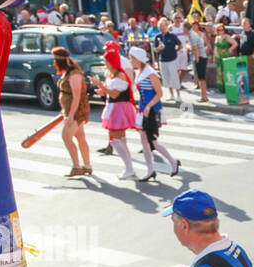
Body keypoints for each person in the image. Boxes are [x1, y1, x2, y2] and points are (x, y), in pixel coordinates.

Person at [128, 47, 180, 182]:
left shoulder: (150, 73)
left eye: (131, 58)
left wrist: (149, 107)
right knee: (144, 141)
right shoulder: (139, 72)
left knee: (152, 141)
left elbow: (159, 94)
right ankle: (150, 170)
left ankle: (172, 162)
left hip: (151, 110)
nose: (130, 60)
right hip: (144, 109)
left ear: (137, 59)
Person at [91, 47, 137, 179]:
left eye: (106, 61)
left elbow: (115, 94)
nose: (105, 64)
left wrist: (100, 85)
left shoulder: (121, 75)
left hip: (119, 108)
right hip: (115, 107)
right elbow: (111, 91)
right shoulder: (113, 75)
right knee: (120, 140)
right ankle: (129, 168)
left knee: (115, 140)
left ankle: (129, 168)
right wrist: (102, 90)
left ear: (112, 62)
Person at [52, 47, 91, 177]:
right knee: (80, 137)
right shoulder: (68, 72)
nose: (54, 63)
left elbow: (76, 96)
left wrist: (71, 116)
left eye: (55, 60)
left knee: (66, 137)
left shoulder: (74, 74)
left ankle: (76, 166)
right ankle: (87, 165)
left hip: (76, 111)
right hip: (70, 110)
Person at [154, 20, 183, 103]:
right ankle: (172, 95)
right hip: (162, 60)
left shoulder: (172, 36)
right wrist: (158, 48)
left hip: (172, 60)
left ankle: (178, 95)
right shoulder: (157, 37)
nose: (162, 28)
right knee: (166, 78)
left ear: (166, 26)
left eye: (163, 26)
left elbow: (180, 45)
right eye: (160, 27)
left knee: (175, 78)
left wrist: (175, 51)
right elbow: (155, 50)